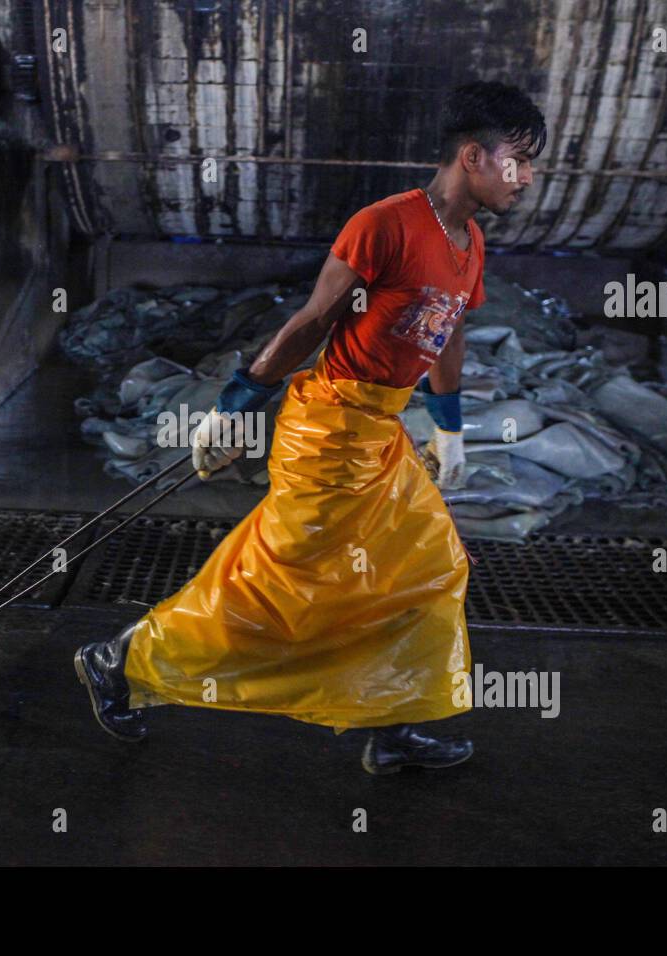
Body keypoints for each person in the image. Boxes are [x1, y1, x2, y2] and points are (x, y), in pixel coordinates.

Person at [75, 81, 546, 774]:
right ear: (474, 156)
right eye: (520, 160)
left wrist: (449, 428)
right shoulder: (386, 224)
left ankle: (397, 722)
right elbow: (311, 324)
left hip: (382, 435)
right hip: (326, 433)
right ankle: (121, 661)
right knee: (278, 589)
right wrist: (233, 406)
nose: (527, 177)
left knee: (429, 569)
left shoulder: (468, 241)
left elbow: (448, 333)